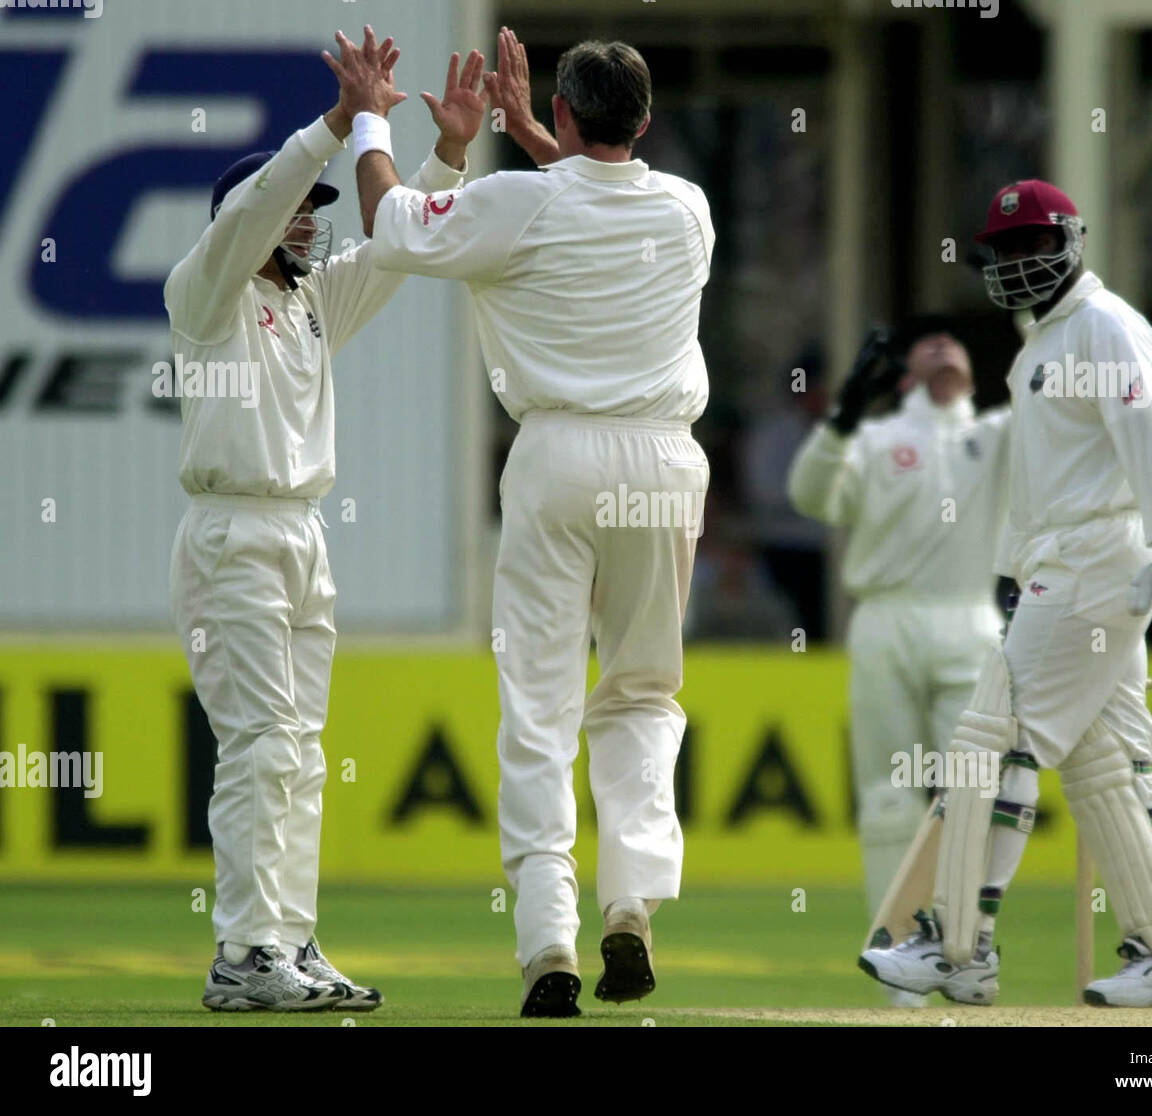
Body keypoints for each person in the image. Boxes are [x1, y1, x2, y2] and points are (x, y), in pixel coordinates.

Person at [337, 27, 714, 1017]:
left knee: (538, 707)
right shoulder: (686, 211)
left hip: (556, 460)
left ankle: (547, 940)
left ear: (559, 113)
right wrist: (532, 134)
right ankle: (630, 903)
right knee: (640, 696)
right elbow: (597, 202)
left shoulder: (517, 205)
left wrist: (376, 111)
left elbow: (389, 227)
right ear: (646, 120)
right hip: (665, 464)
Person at [169, 28, 475, 1011]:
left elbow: (396, 252)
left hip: (300, 536)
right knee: (261, 741)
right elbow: (255, 212)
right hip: (231, 532)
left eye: (313, 210)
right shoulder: (206, 296)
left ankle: (287, 944)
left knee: (297, 750)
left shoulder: (306, 307)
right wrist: (339, 122)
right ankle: (242, 952)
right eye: (298, 209)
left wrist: (452, 156)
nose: (308, 223)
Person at [859, 179, 1152, 1008]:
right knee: (1110, 768)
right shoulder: (1040, 346)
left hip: (1098, 560)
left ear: (1073, 239)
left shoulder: (1103, 325)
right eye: (1004, 252)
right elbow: (1047, 479)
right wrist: (1015, 567)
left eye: (1034, 246)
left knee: (994, 737)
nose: (1019, 264)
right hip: (1064, 564)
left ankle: (956, 946)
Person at [787, 318, 1010, 1005]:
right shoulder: (877, 439)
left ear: (973, 371)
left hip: (973, 618)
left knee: (971, 797)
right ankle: (897, 961)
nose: (944, 344)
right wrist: (844, 414)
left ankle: (966, 951)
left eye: (955, 342)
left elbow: (1059, 405)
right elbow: (811, 496)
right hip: (885, 616)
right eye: (927, 343)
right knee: (889, 797)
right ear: (905, 374)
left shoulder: (999, 435)